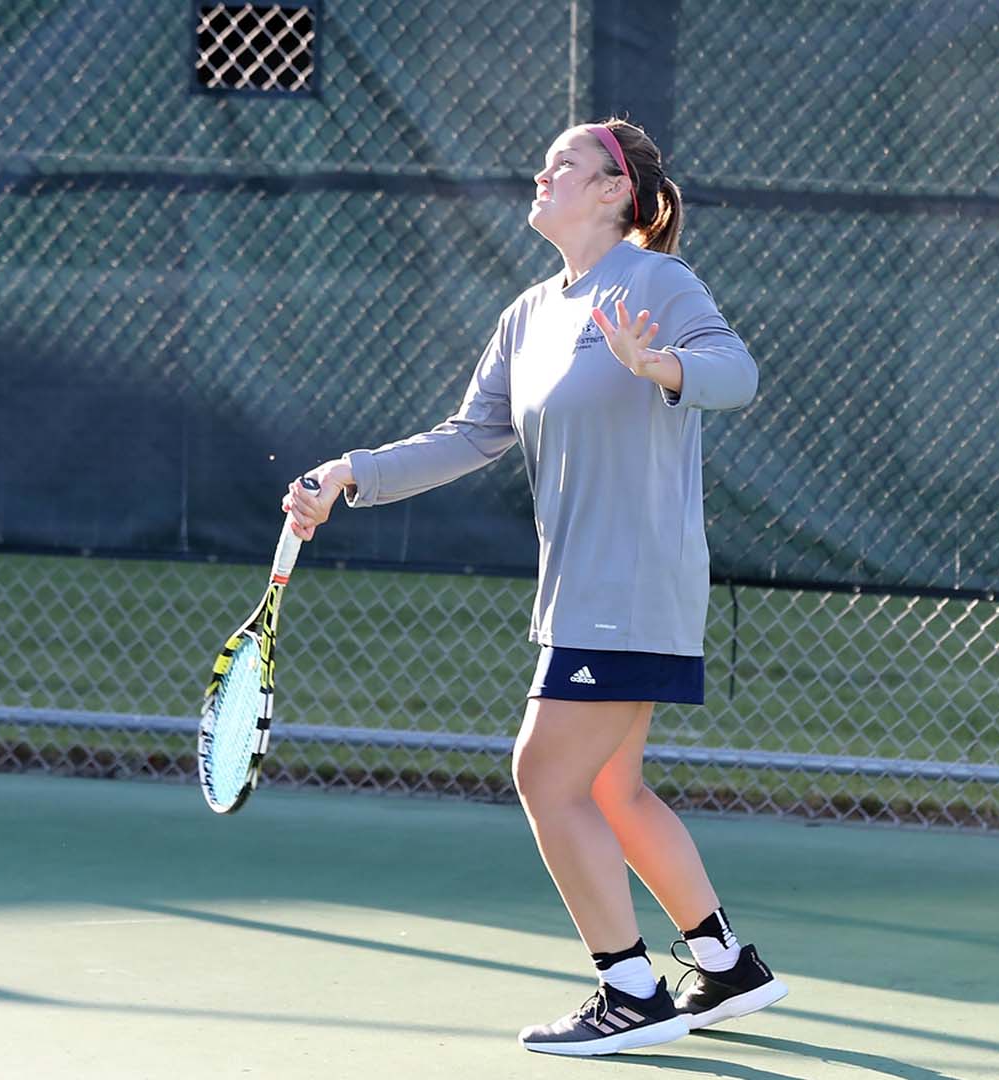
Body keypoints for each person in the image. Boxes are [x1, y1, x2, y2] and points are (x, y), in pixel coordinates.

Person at [281, 117, 785, 1056]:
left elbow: (737, 373)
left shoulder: (657, 282)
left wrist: (658, 364)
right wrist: (348, 471)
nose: (544, 174)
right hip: (580, 589)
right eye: (546, 162)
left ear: (613, 192)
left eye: (567, 165)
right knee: (610, 787)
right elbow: (469, 436)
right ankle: (723, 966)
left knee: (543, 774)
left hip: (630, 583)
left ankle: (629, 988)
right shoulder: (528, 313)